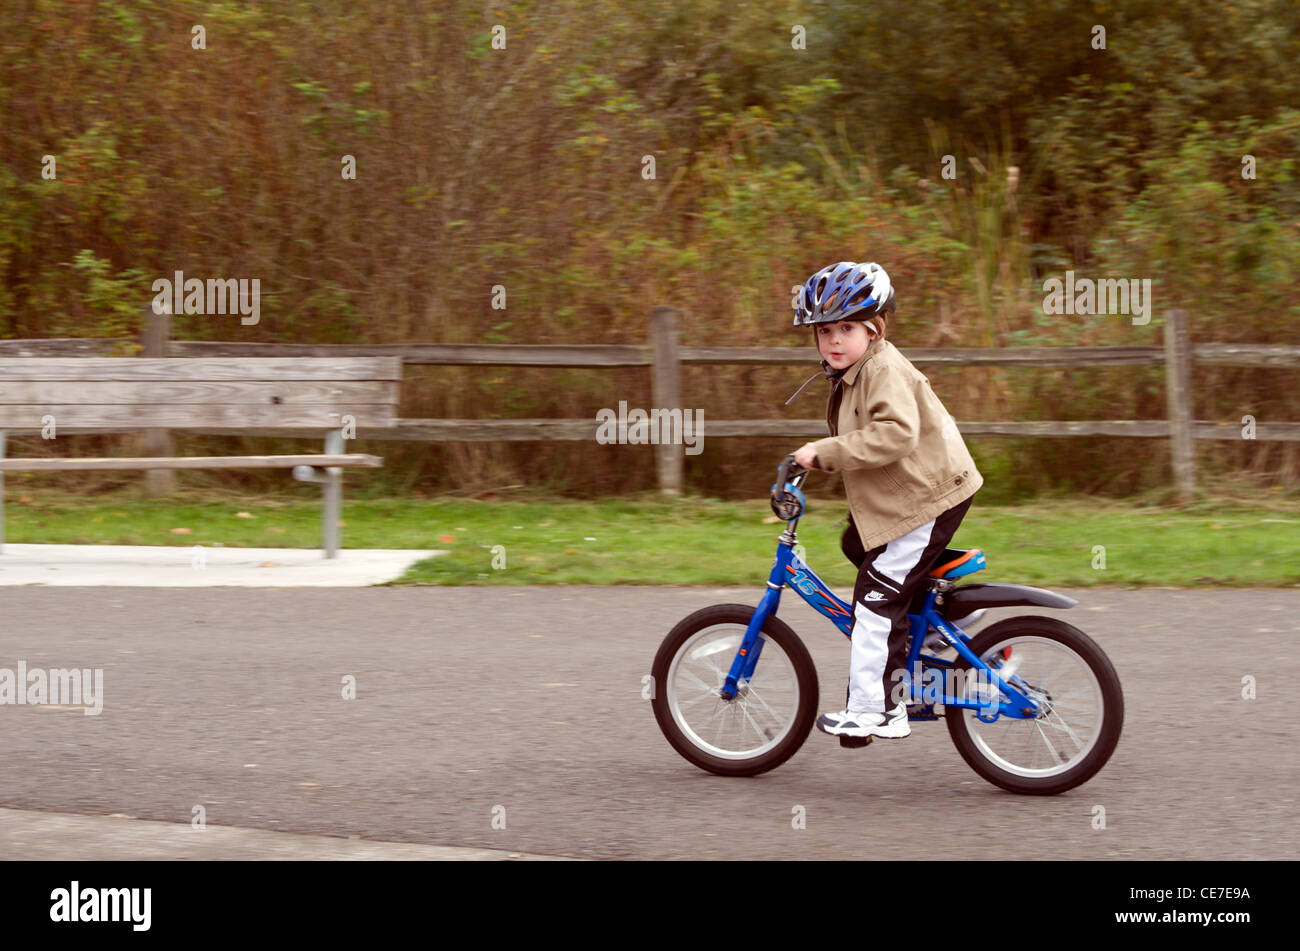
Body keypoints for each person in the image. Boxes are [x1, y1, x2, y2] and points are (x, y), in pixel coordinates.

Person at [788, 261, 983, 739]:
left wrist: (823, 453)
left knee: (874, 599)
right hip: (914, 495)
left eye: (847, 328)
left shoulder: (883, 369)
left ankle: (879, 708)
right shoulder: (855, 370)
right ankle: (929, 624)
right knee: (858, 546)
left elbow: (895, 435)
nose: (834, 340)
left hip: (930, 496)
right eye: (825, 330)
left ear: (874, 329)